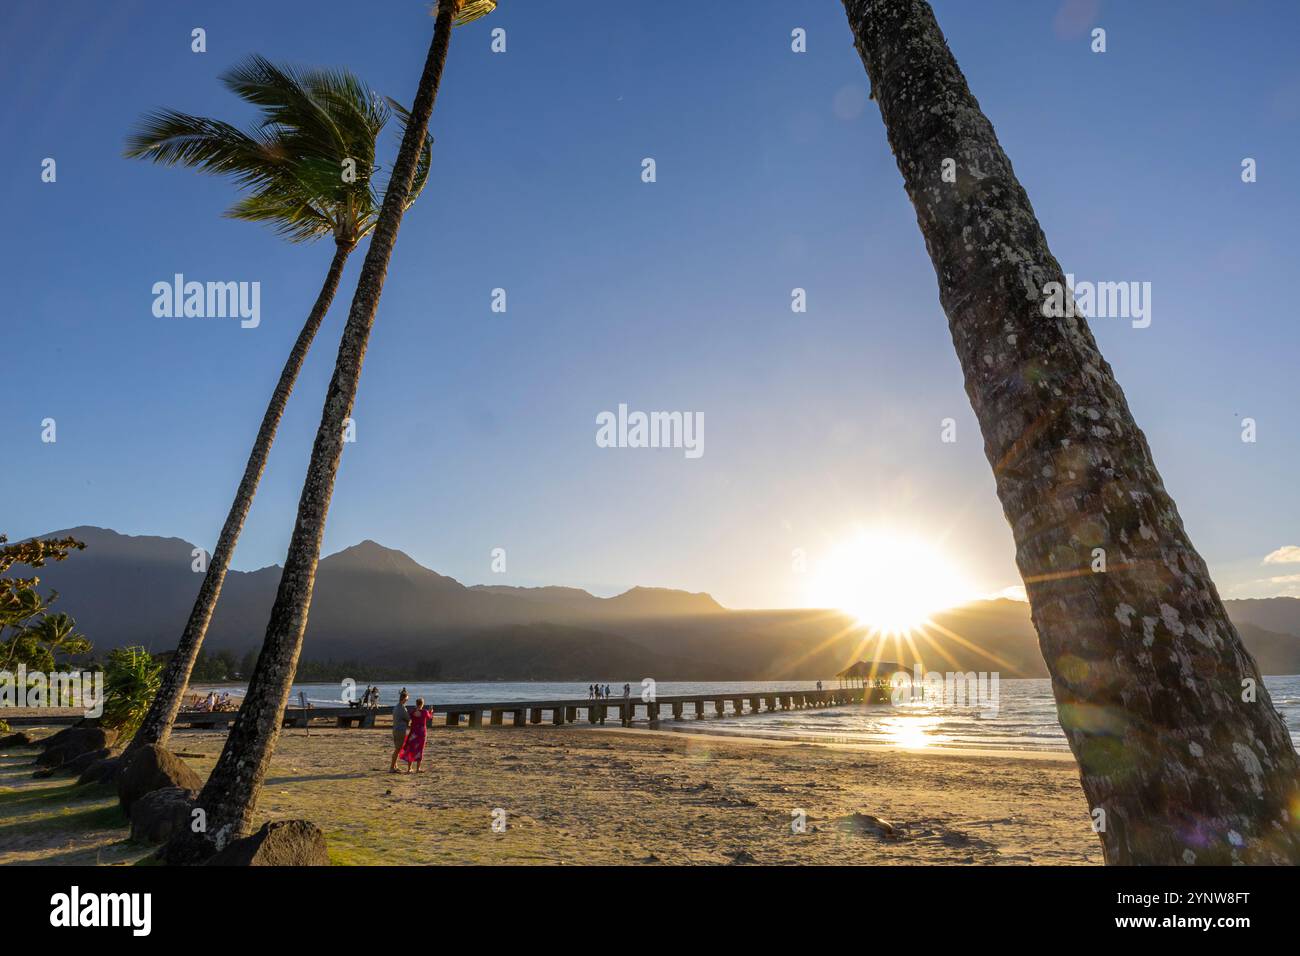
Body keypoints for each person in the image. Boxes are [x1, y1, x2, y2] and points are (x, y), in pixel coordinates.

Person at [397, 697, 434, 774]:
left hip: (413, 733)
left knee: (411, 749)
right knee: (420, 750)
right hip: (421, 733)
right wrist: (431, 712)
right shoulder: (425, 712)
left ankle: (409, 768)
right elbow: (430, 717)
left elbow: (407, 718)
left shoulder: (412, 712)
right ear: (422, 704)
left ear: (416, 704)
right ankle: (418, 768)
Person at [389, 690, 411, 773]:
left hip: (395, 729)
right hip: (400, 730)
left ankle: (395, 766)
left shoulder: (396, 707)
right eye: (407, 699)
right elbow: (408, 718)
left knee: (397, 748)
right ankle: (391, 767)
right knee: (398, 749)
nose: (407, 701)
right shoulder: (402, 708)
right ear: (404, 699)